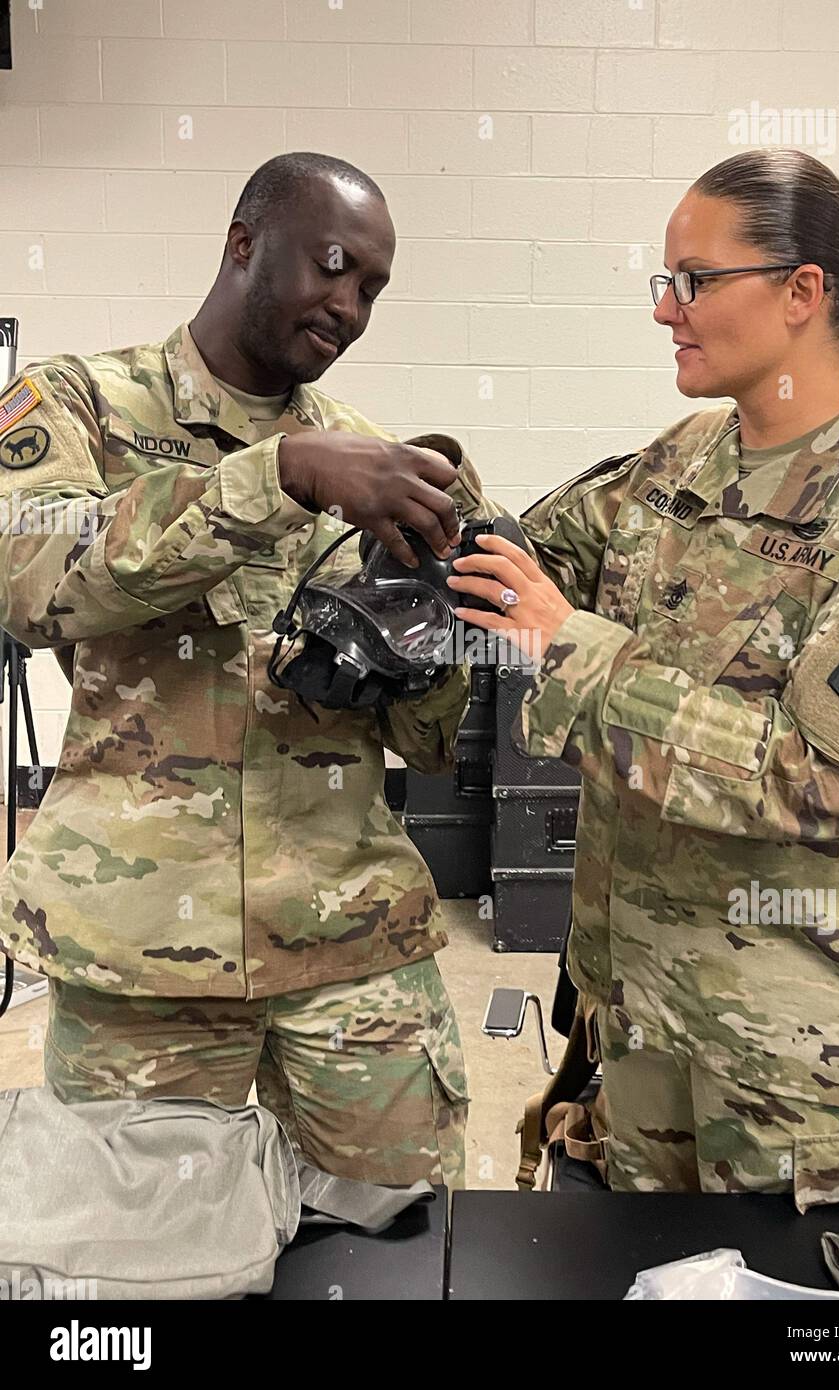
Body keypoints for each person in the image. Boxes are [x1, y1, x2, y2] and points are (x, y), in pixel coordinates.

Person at [450, 148, 839, 1210]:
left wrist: (570, 645)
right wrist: (388, 481)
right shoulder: (682, 464)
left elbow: (813, 775)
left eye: (693, 281)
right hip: (643, 1037)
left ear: (801, 292)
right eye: (665, 282)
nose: (666, 310)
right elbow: (516, 550)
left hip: (806, 1085)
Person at [0, 151, 496, 1189]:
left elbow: (428, 740)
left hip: (352, 950)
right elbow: (32, 580)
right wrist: (277, 477)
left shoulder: (370, 453)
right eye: (333, 267)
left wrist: (437, 616)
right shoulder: (81, 400)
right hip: (146, 964)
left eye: (373, 288)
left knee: (397, 1243)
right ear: (242, 244)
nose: (352, 306)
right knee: (141, 1262)